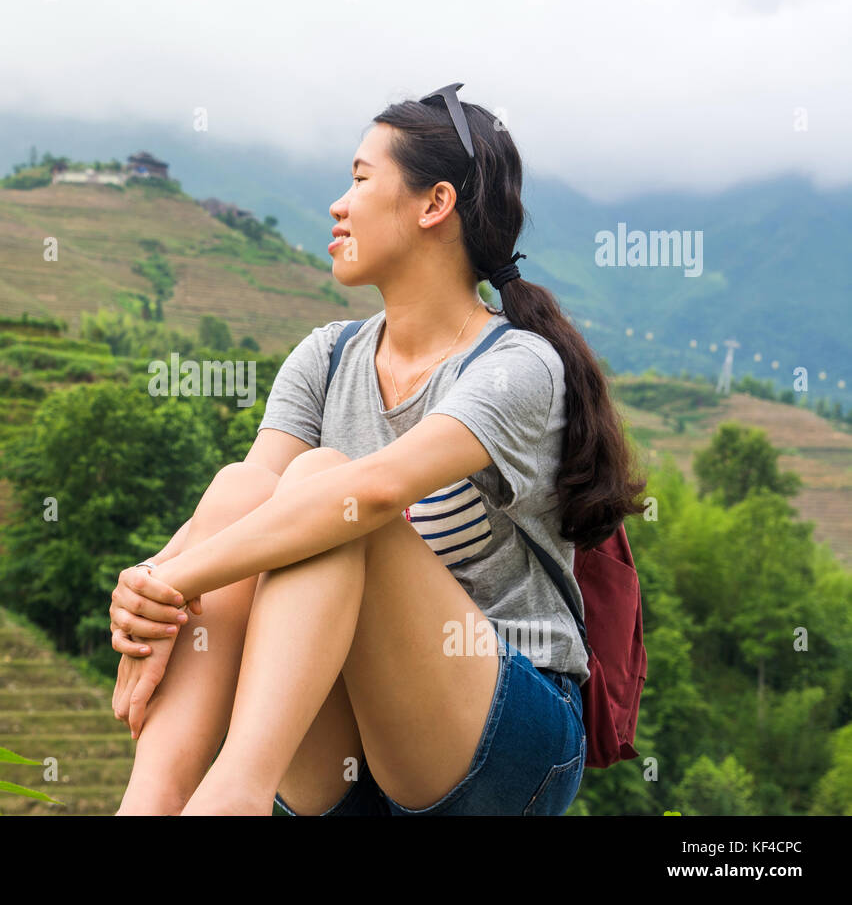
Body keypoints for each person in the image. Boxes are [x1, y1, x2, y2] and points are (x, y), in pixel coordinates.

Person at [107, 87, 646, 815]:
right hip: (350, 746)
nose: (338, 204)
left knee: (331, 489)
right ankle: (154, 800)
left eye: (360, 179)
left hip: (504, 739)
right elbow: (239, 513)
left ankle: (232, 796)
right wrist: (146, 588)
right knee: (245, 489)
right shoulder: (326, 357)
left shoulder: (518, 365)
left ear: (435, 205)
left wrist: (174, 581)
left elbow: (377, 491)